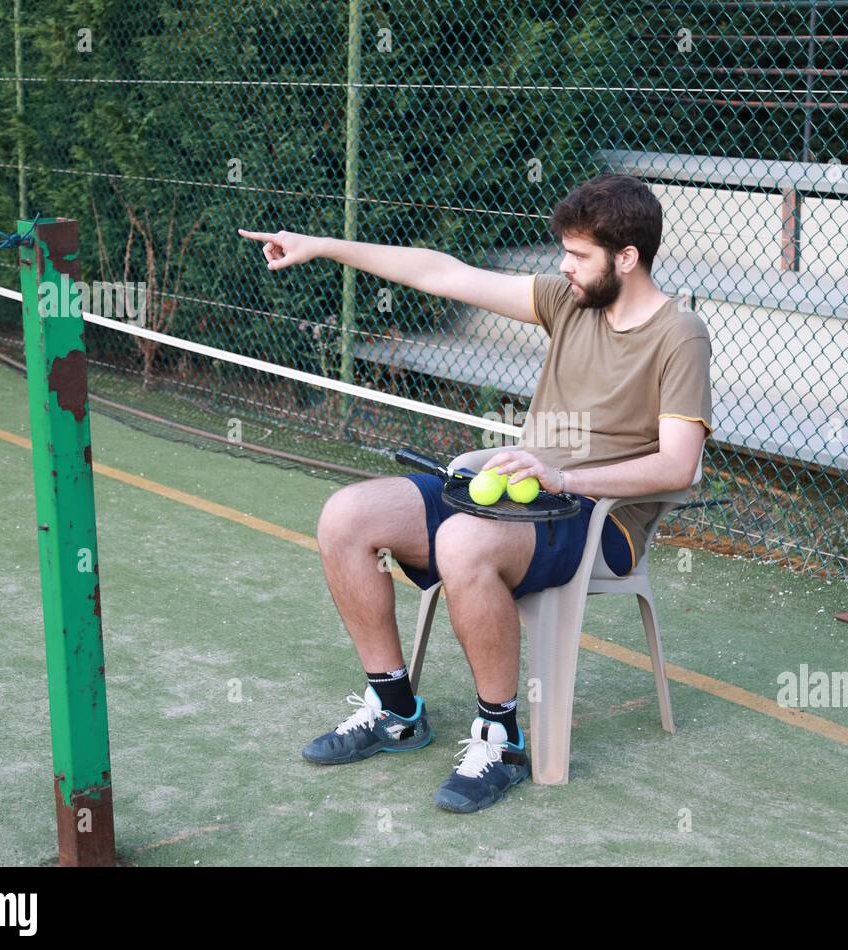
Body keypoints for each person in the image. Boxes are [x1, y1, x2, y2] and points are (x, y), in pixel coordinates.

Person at [238, 173, 713, 813]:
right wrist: (321, 244)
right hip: (518, 498)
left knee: (461, 542)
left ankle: (502, 736)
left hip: (598, 520)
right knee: (346, 517)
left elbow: (678, 465)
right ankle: (394, 709)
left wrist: (565, 478)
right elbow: (442, 273)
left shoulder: (679, 334)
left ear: (626, 259)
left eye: (578, 256)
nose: (564, 268)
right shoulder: (569, 300)